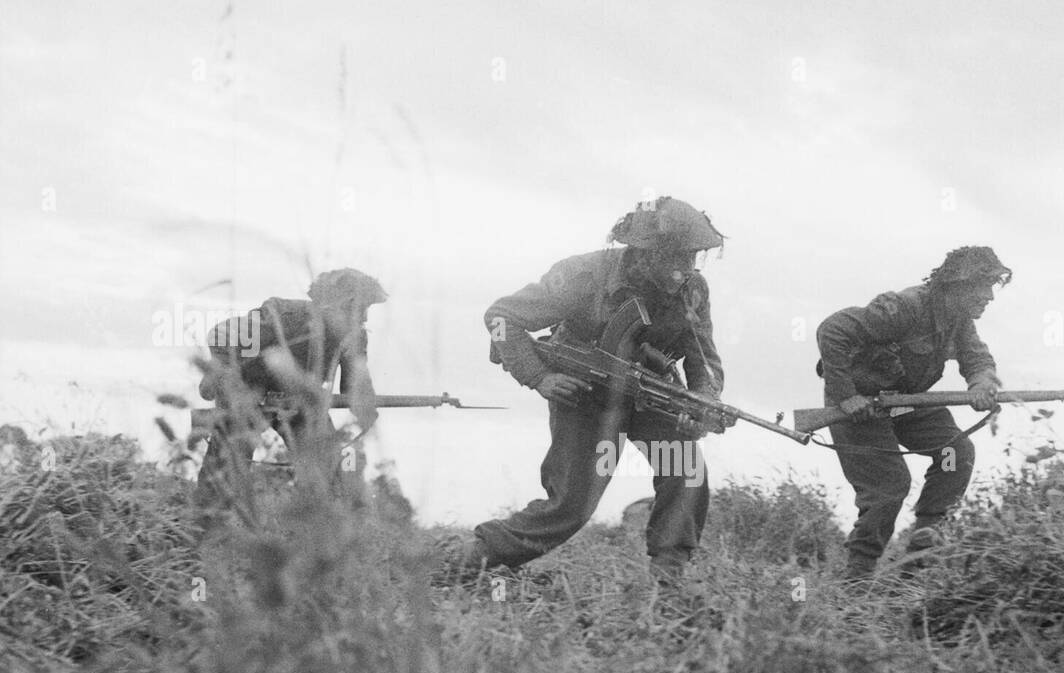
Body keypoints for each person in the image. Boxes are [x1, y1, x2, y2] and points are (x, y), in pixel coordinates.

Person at [450, 196, 732, 585]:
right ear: (644, 252)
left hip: (649, 394)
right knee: (571, 507)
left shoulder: (693, 290)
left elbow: (703, 361)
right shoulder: (582, 275)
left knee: (684, 468)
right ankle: (466, 560)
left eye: (693, 258)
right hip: (586, 397)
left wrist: (702, 402)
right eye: (676, 258)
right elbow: (501, 319)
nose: (685, 270)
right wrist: (540, 377)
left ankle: (667, 582)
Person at [815, 246, 1009, 582]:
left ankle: (920, 555)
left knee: (955, 451)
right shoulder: (903, 308)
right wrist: (846, 397)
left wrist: (981, 384)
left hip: (907, 404)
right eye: (984, 286)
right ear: (958, 284)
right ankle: (857, 578)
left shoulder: (959, 322)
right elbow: (832, 330)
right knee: (889, 486)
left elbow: (977, 361)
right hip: (861, 408)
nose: (989, 296)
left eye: (992, 286)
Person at [194, 267, 387, 514]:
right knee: (225, 470)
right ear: (341, 305)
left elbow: (353, 388)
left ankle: (324, 534)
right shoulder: (283, 316)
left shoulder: (354, 338)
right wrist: (222, 376)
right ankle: (203, 530)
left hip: (300, 403)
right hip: (248, 395)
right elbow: (221, 336)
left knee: (328, 468)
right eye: (362, 309)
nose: (365, 319)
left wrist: (365, 408)